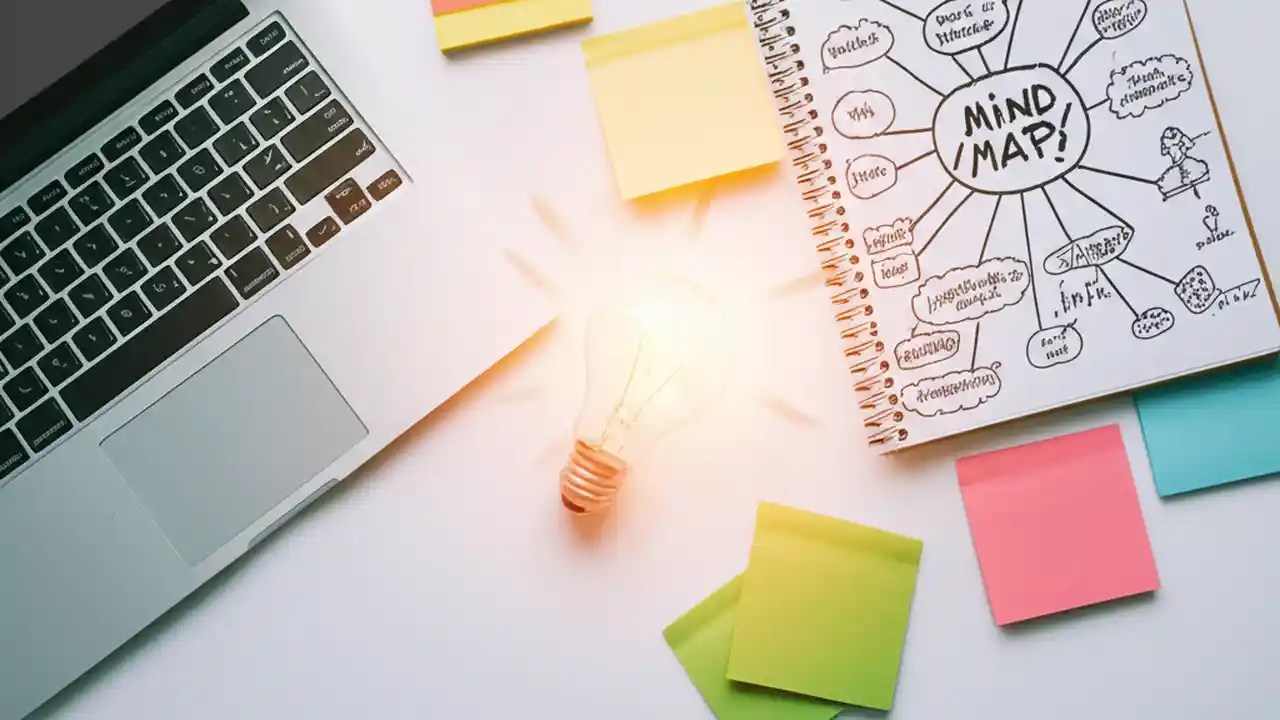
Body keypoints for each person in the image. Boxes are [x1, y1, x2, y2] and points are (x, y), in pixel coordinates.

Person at [1157, 127, 1210, 199]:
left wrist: (1183, 144)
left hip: (1182, 159)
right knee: (1183, 169)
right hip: (1178, 161)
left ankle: (1190, 177)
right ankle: (1187, 178)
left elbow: (1190, 144)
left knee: (1186, 167)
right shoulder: (1169, 141)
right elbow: (1190, 144)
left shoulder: (1179, 138)